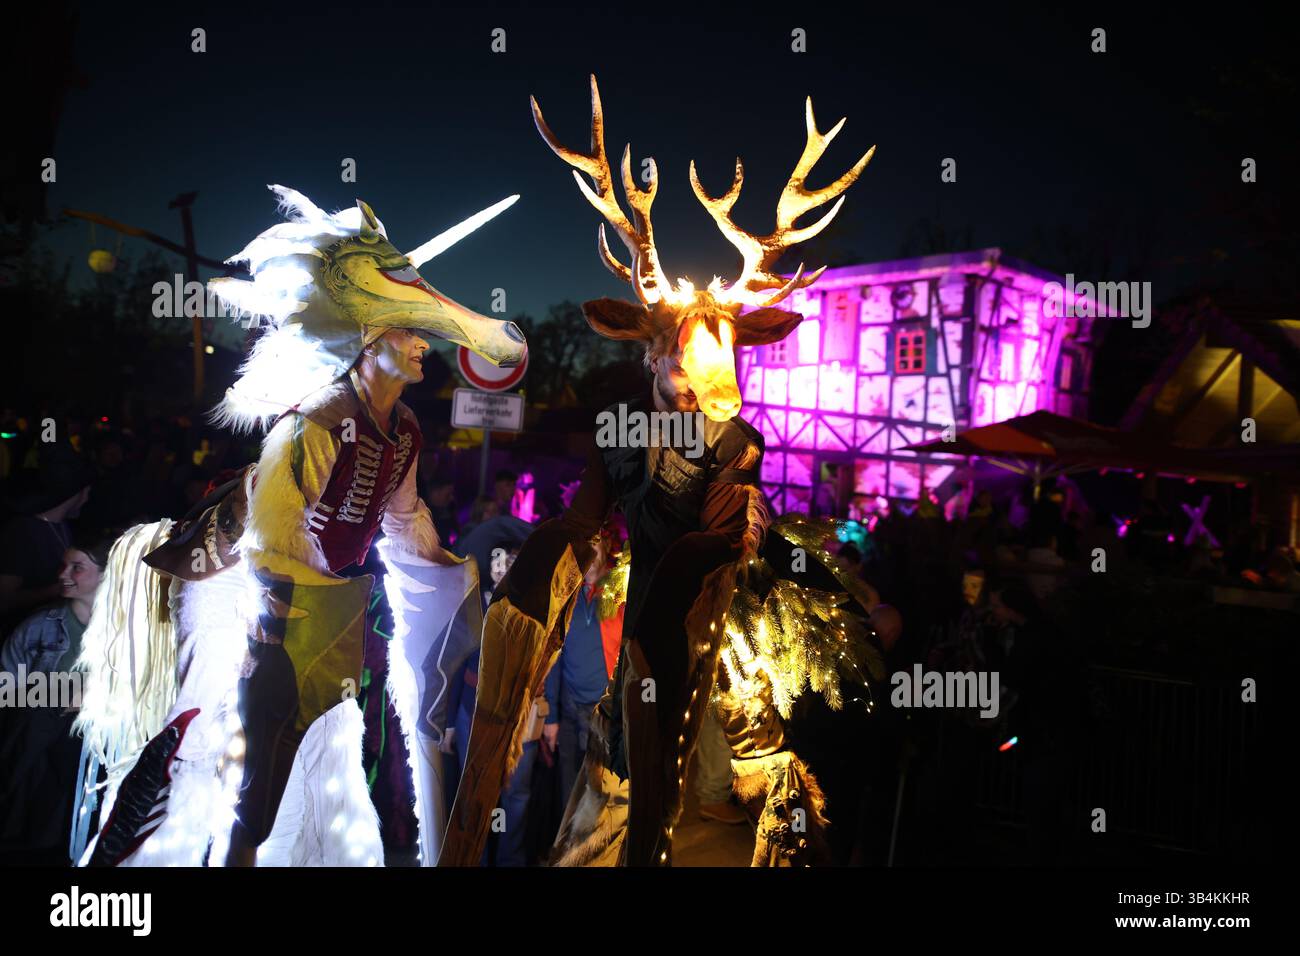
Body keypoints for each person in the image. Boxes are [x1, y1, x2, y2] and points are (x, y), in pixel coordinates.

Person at [78, 185, 526, 868]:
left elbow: (404, 522)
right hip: (247, 596)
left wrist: (446, 574)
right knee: (219, 754)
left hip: (322, 610)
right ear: (370, 341)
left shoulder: (403, 430)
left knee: (326, 763)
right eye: (410, 333)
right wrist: (289, 618)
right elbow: (275, 537)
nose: (423, 350)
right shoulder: (316, 420)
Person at [0, 534, 111, 863]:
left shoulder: (126, 633)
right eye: (64, 565)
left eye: (77, 568)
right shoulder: (39, 627)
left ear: (106, 575)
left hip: (93, 752)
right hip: (38, 755)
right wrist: (63, 693)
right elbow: (5, 689)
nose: (64, 574)